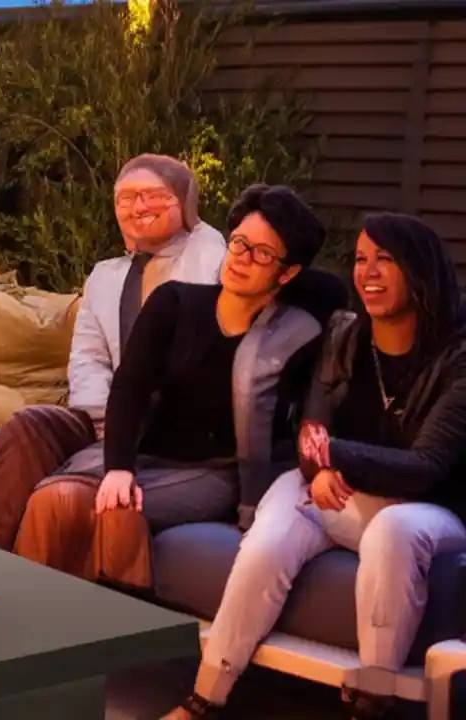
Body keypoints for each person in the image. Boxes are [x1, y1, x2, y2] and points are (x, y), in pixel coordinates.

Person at [167, 214, 466, 720]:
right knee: (267, 541)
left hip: (424, 507)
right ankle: (204, 698)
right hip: (337, 490)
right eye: (361, 259)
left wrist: (334, 455)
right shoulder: (346, 334)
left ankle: (373, 703)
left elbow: (426, 466)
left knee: (393, 530)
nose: (368, 272)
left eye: (386, 260)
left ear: (421, 272)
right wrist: (317, 468)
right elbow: (313, 428)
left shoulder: (457, 358)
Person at [13, 184, 345, 587]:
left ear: (288, 272)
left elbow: (334, 292)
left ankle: (121, 635)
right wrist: (119, 467)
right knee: (56, 497)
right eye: (239, 243)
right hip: (147, 456)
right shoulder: (177, 302)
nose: (241, 259)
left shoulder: (288, 337)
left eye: (261, 254)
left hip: (213, 475)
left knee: (86, 505)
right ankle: (23, 618)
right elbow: (129, 386)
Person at [0, 153, 228, 549]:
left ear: (185, 203)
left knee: (59, 489)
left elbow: (210, 258)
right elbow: (88, 357)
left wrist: (195, 225)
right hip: (106, 418)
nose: (139, 207)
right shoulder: (105, 276)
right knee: (30, 424)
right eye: (127, 198)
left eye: (155, 196)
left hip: (171, 429)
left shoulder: (210, 259)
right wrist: (106, 422)